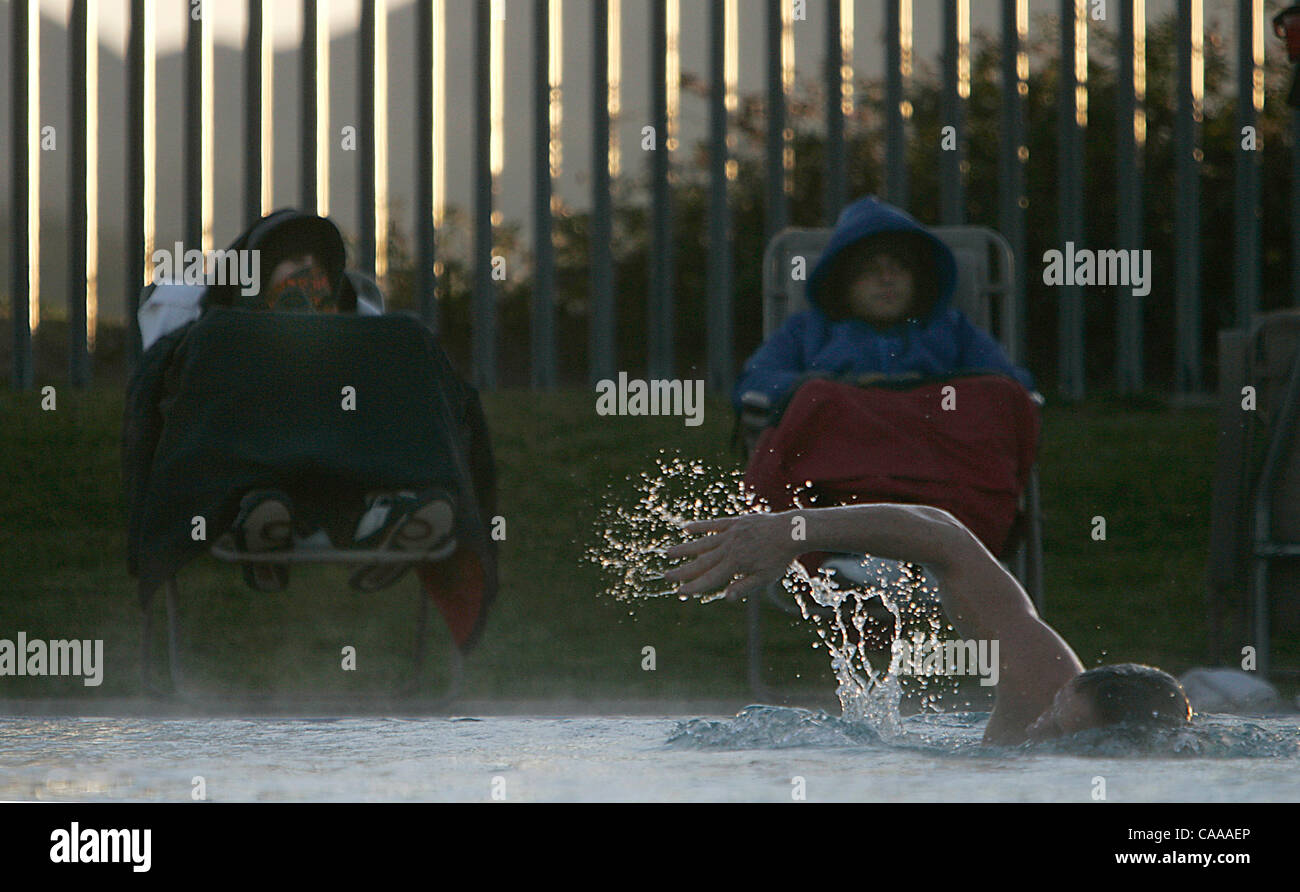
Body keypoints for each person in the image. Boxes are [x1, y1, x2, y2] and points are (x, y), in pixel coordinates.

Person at [663, 503, 1192, 745]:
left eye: (1060, 732)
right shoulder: (1045, 690)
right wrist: (793, 531)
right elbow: (945, 535)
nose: (1037, 725)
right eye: (1054, 712)